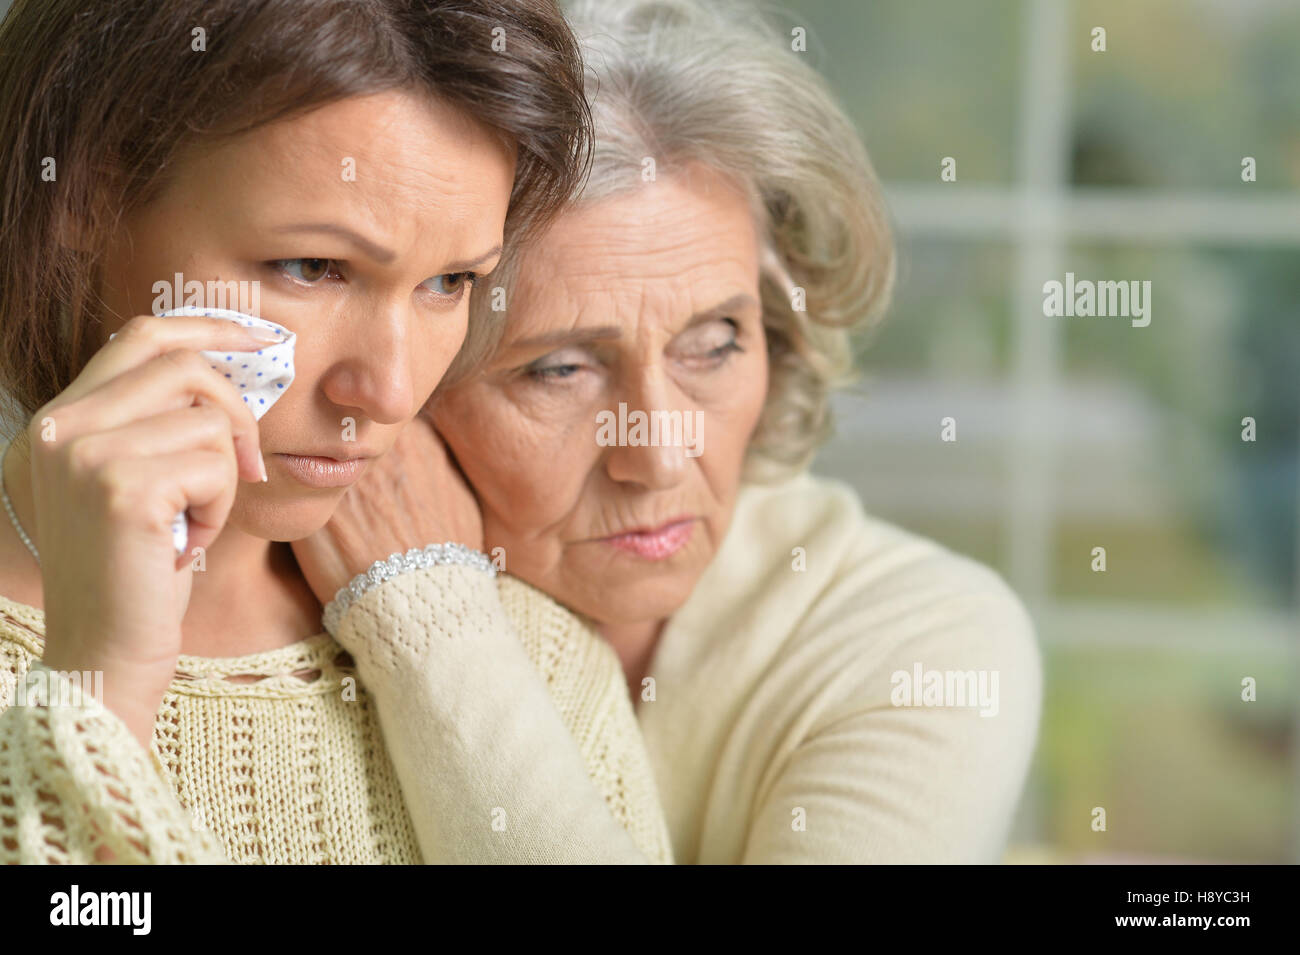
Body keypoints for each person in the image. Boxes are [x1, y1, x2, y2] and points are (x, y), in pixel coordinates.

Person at [325, 0, 1043, 863]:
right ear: (413, 382)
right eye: (560, 370)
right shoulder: (273, 615)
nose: (659, 456)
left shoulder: (921, 636)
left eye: (713, 345)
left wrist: (425, 617)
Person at [0, 0, 671, 864]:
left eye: (451, 282)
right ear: (85, 201)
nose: (388, 391)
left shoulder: (529, 665)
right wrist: (98, 695)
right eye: (313, 267)